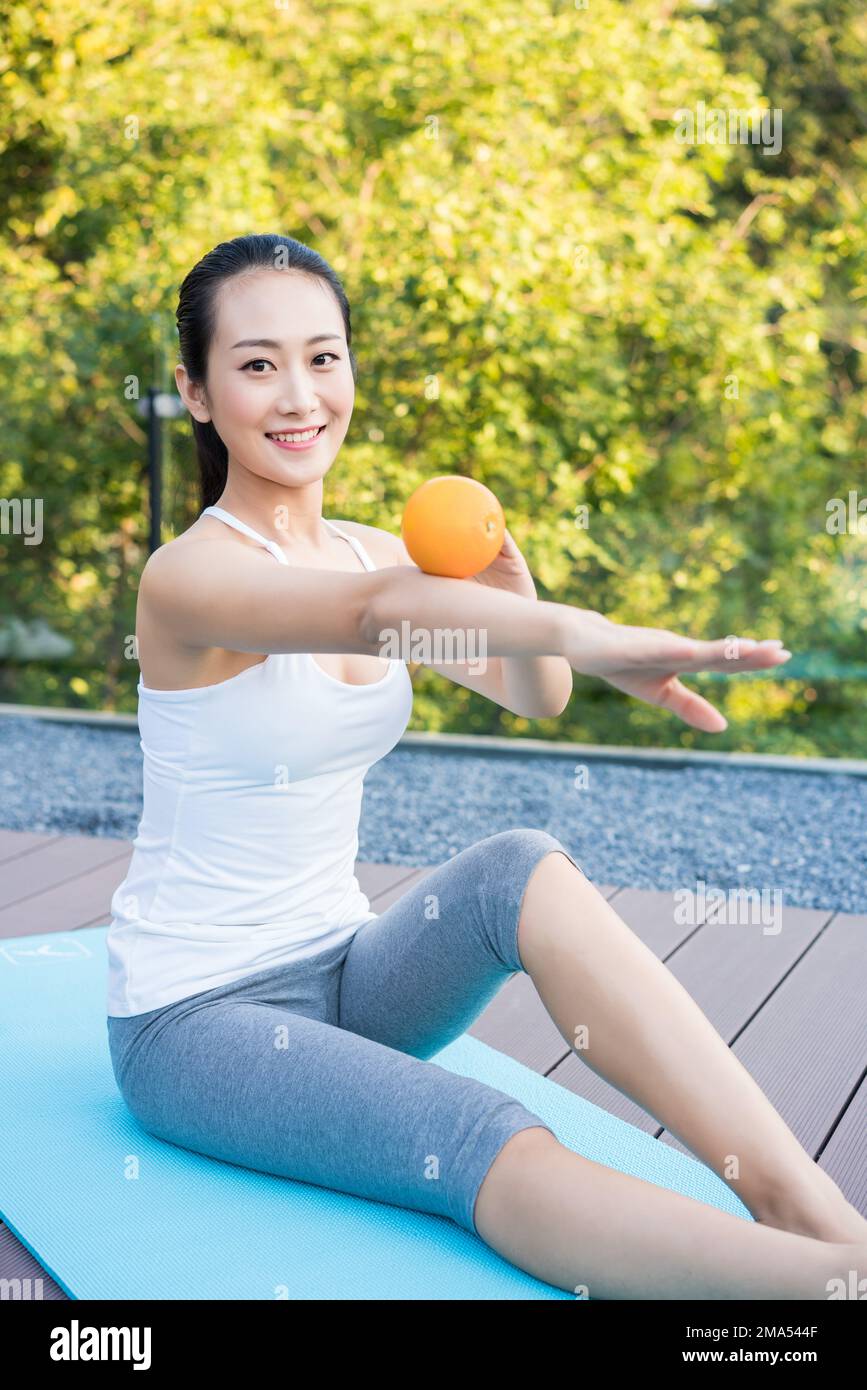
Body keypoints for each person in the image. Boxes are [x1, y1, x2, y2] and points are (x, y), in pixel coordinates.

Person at [106, 233, 867, 1299]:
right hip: (198, 1021)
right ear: (195, 390)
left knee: (522, 864)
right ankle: (829, 1291)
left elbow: (529, 693)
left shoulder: (375, 549)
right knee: (480, 1132)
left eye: (324, 357)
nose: (299, 393)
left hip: (346, 971)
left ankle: (815, 1214)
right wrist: (593, 631)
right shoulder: (189, 578)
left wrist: (521, 608)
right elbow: (375, 618)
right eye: (257, 363)